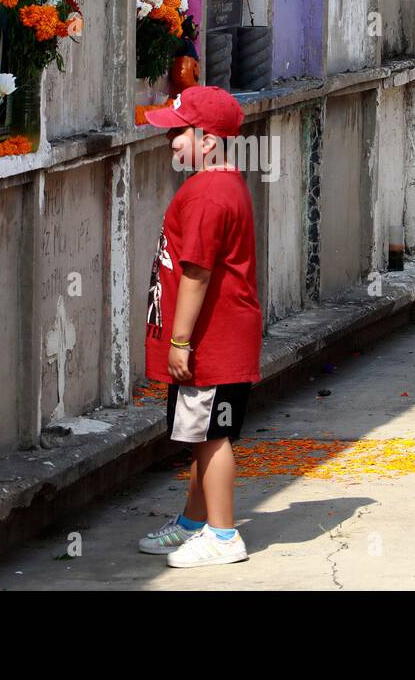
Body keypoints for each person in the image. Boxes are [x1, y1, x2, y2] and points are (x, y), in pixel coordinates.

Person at [137, 86, 262, 568]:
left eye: (178, 132)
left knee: (212, 437)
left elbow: (196, 273)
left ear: (207, 140)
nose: (169, 140)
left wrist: (180, 341)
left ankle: (225, 535)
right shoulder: (221, 183)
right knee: (202, 434)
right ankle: (194, 523)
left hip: (211, 341)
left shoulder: (208, 194)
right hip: (218, 339)